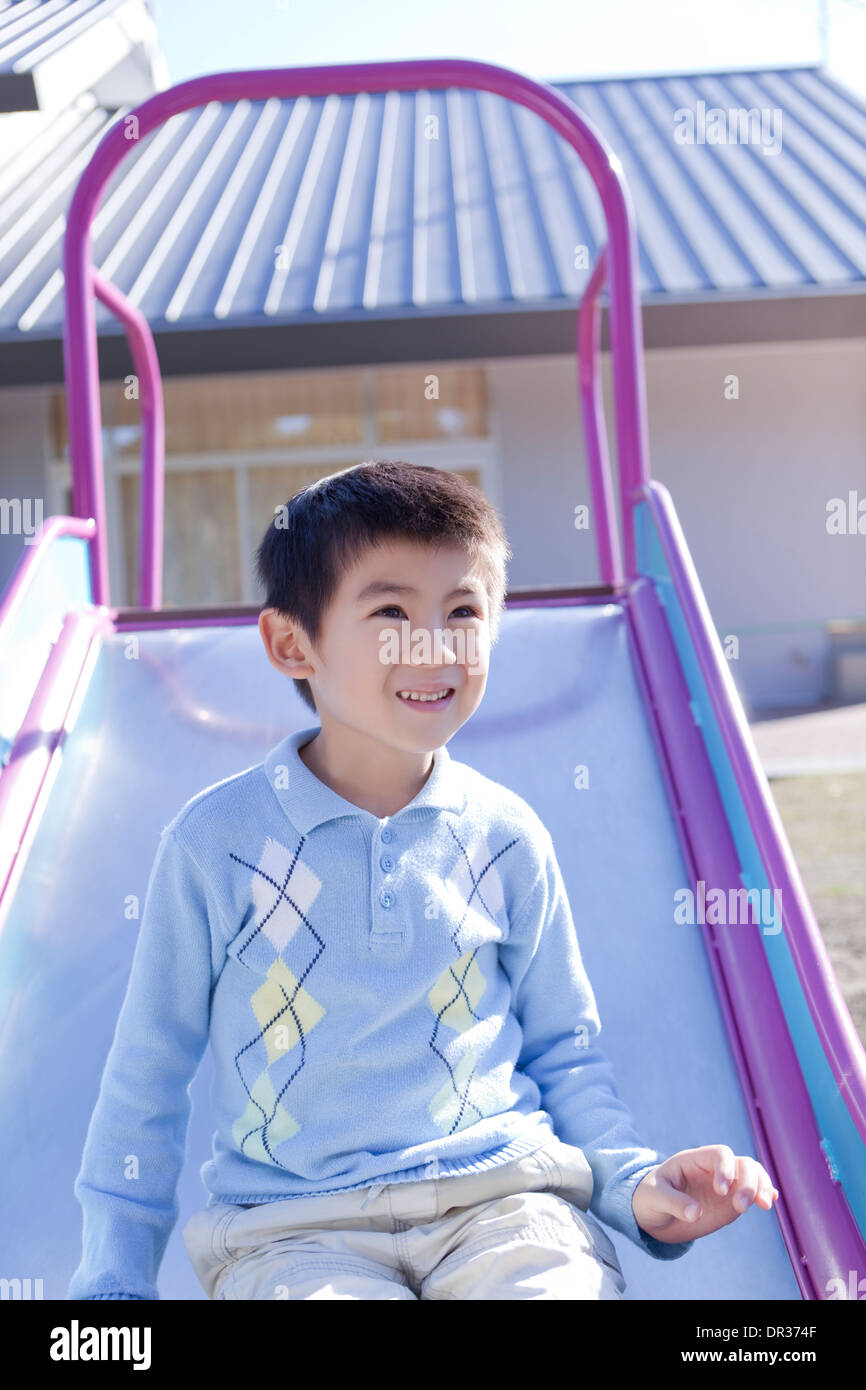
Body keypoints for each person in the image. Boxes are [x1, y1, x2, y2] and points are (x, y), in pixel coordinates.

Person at [68, 458, 778, 1301]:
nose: (435, 645)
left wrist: (632, 1184)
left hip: (508, 1206)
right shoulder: (214, 845)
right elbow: (144, 1080)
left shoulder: (506, 837)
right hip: (293, 1231)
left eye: (464, 612)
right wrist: (111, 1288)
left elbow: (565, 1053)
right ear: (294, 643)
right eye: (393, 612)